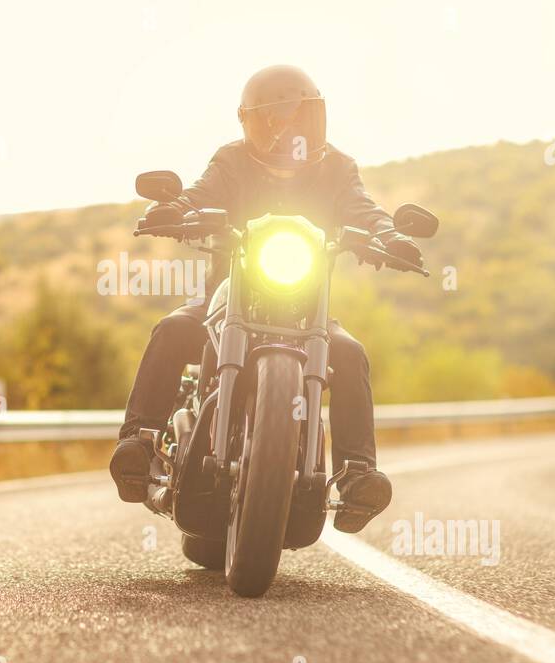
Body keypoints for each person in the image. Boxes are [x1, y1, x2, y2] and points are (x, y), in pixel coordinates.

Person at [109, 64, 423, 533]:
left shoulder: (337, 167)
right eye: (275, 120)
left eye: (298, 118)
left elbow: (362, 206)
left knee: (350, 352)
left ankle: (357, 473)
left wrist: (388, 233)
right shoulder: (232, 160)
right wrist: (176, 208)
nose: (287, 131)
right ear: (252, 121)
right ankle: (140, 438)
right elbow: (201, 192)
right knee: (175, 328)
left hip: (304, 311)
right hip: (227, 299)